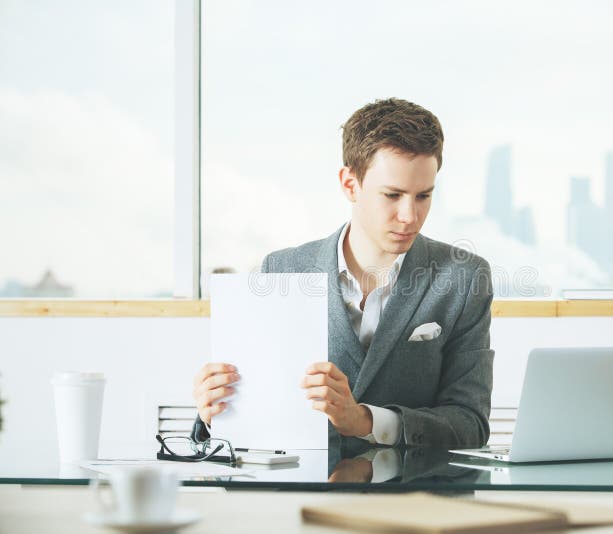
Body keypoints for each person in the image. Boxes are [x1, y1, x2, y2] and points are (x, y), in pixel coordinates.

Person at [192, 98, 493, 448]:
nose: (410, 215)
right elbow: (256, 416)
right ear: (350, 185)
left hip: (415, 495)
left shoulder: (465, 278)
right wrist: (216, 412)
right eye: (392, 195)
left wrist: (366, 421)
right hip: (304, 493)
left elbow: (470, 423)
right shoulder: (282, 270)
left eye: (424, 196)